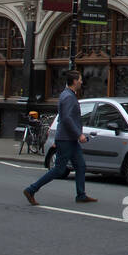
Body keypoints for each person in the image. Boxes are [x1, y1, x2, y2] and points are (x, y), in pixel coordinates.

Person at [23, 71, 95, 205]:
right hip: (66, 139)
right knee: (59, 169)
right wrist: (78, 134)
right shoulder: (68, 96)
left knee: (80, 166)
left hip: (70, 139)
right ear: (74, 81)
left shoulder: (68, 95)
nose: (81, 82)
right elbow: (66, 118)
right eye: (79, 80)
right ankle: (31, 189)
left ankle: (81, 195)